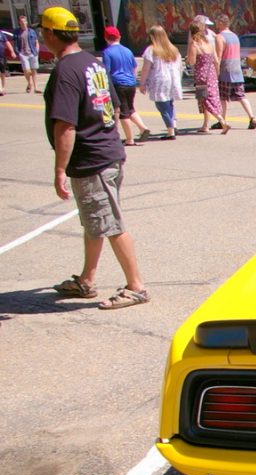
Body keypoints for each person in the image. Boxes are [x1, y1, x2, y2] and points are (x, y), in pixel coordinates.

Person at [40, 7, 149, 309]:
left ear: (50, 34)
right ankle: (87, 279)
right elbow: (114, 109)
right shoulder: (92, 63)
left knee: (111, 222)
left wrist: (60, 170)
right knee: (95, 222)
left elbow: (65, 125)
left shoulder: (65, 71)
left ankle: (136, 286)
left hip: (92, 160)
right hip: (108, 153)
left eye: (42, 32)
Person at [101, 26, 152, 147]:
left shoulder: (107, 52)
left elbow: (106, 71)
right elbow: (134, 67)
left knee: (123, 112)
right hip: (130, 83)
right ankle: (142, 127)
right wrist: (133, 80)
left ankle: (129, 139)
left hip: (118, 84)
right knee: (130, 108)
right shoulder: (127, 51)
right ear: (119, 37)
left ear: (106, 38)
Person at [139, 24, 183, 140]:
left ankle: (170, 131)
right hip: (172, 79)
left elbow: (146, 68)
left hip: (159, 80)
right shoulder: (173, 49)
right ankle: (174, 125)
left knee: (162, 106)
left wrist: (142, 83)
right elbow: (179, 65)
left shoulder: (151, 50)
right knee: (170, 103)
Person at [214, 14, 256, 129]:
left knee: (223, 97)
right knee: (241, 95)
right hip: (236, 70)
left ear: (221, 23)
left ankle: (222, 120)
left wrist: (216, 72)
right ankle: (252, 117)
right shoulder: (235, 36)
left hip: (226, 70)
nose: (216, 24)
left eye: (217, 22)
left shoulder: (219, 37)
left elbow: (218, 56)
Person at [187, 20, 229, 134]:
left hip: (201, 74)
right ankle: (205, 125)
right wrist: (217, 73)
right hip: (211, 74)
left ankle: (222, 122)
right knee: (211, 98)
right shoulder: (209, 44)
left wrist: (188, 58)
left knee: (205, 100)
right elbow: (216, 60)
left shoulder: (194, 44)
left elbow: (192, 61)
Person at [14, 15, 40, 94]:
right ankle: (29, 83)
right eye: (21, 21)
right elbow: (15, 43)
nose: (23, 23)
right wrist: (17, 52)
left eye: (24, 21)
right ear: (19, 23)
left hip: (32, 53)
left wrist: (37, 50)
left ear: (26, 22)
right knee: (26, 71)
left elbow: (36, 42)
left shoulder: (31, 31)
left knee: (34, 70)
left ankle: (36, 88)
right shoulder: (17, 32)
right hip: (23, 54)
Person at [1, 30, 12, 96]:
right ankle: (0, 89)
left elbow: (7, 43)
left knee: (2, 73)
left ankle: (3, 87)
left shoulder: (2, 34)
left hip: (2, 56)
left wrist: (12, 51)